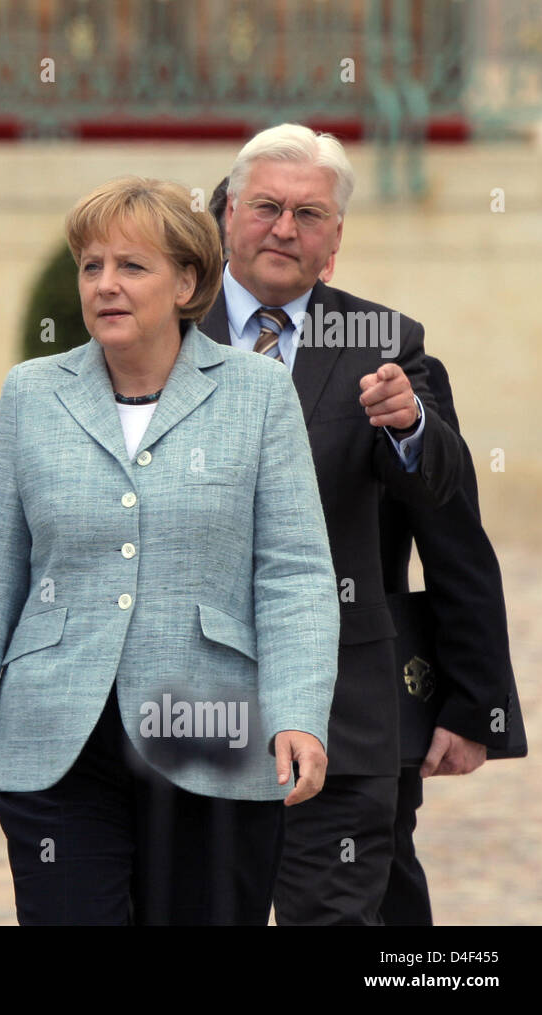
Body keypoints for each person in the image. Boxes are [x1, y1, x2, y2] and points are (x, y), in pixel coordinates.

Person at [0, 176, 340, 925]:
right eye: (92, 266)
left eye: (131, 266)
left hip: (214, 735)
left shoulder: (259, 393)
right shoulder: (30, 394)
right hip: (56, 740)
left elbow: (296, 572)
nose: (105, 285)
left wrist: (301, 712)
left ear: (187, 282)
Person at [198, 123, 466, 924]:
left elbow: (447, 510)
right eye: (268, 207)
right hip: (187, 703)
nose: (285, 228)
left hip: (342, 711)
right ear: (228, 216)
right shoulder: (161, 332)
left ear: (336, 239)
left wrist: (412, 425)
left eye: (309, 215)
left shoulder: (385, 344)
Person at [378, 354, 524, 924]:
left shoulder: (392, 359)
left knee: (378, 886)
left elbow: (455, 542)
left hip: (365, 700)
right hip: (196, 697)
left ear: (331, 260)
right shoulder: (168, 344)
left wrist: (474, 702)